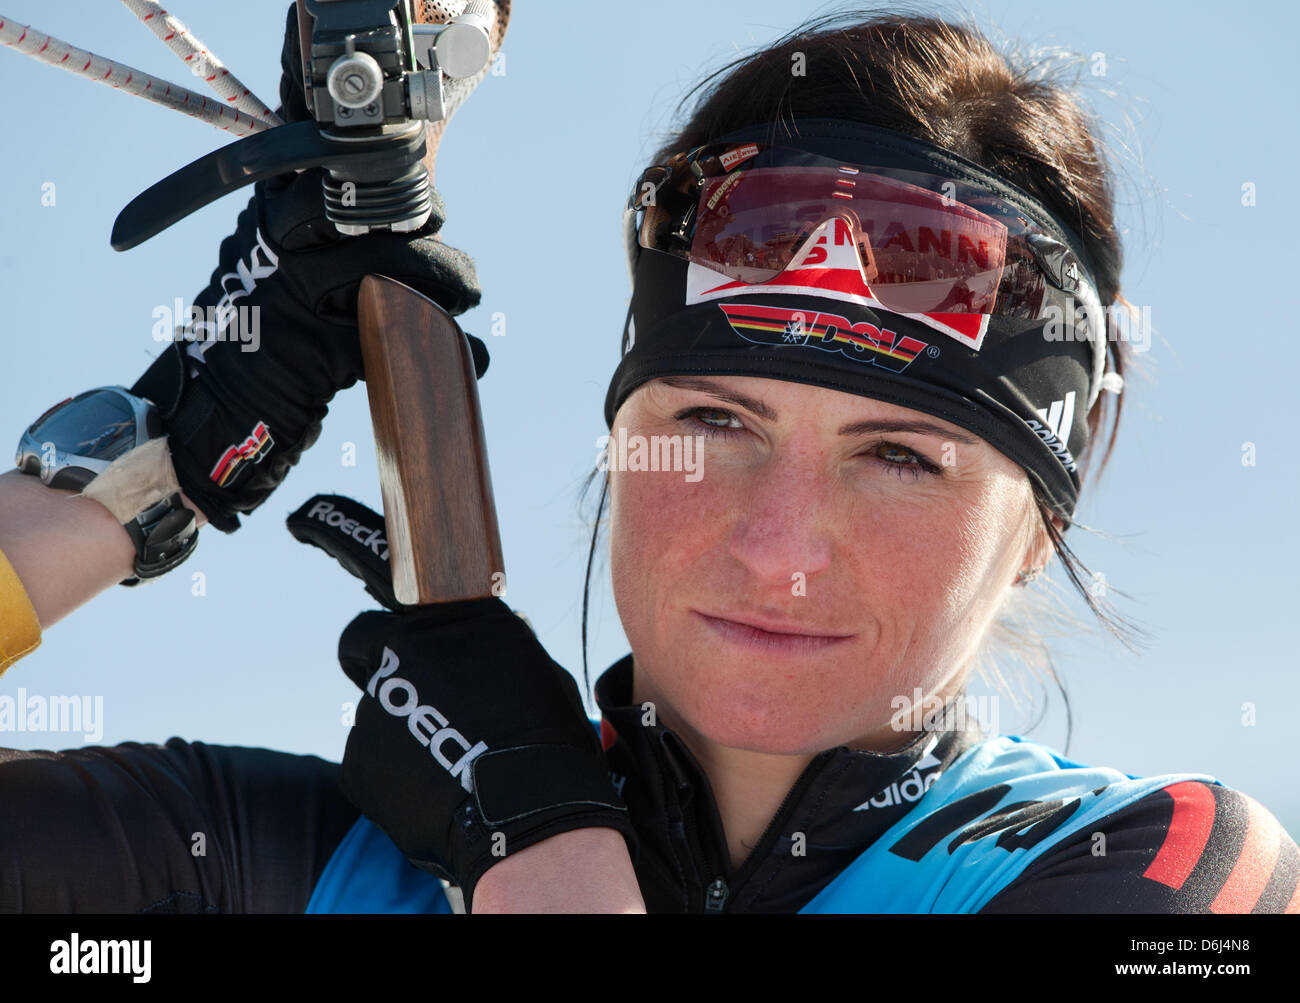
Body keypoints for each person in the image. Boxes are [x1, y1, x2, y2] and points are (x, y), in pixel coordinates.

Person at [1, 7, 1296, 915]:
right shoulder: (280, 861)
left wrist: (540, 849)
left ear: (1036, 533)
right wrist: (158, 462)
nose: (778, 547)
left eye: (901, 455)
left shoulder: (1162, 871)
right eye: (718, 423)